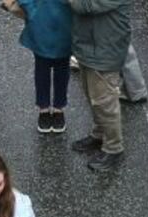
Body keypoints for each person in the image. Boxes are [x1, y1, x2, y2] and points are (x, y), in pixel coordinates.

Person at [69, 0, 133, 171]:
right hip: (88, 45)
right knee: (92, 95)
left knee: (105, 102)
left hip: (105, 49)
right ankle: (99, 134)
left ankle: (114, 148)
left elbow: (85, 5)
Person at [17, 0, 76, 133]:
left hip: (66, 19)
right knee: (42, 67)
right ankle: (44, 107)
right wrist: (30, 10)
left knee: (62, 66)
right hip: (41, 20)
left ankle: (58, 107)